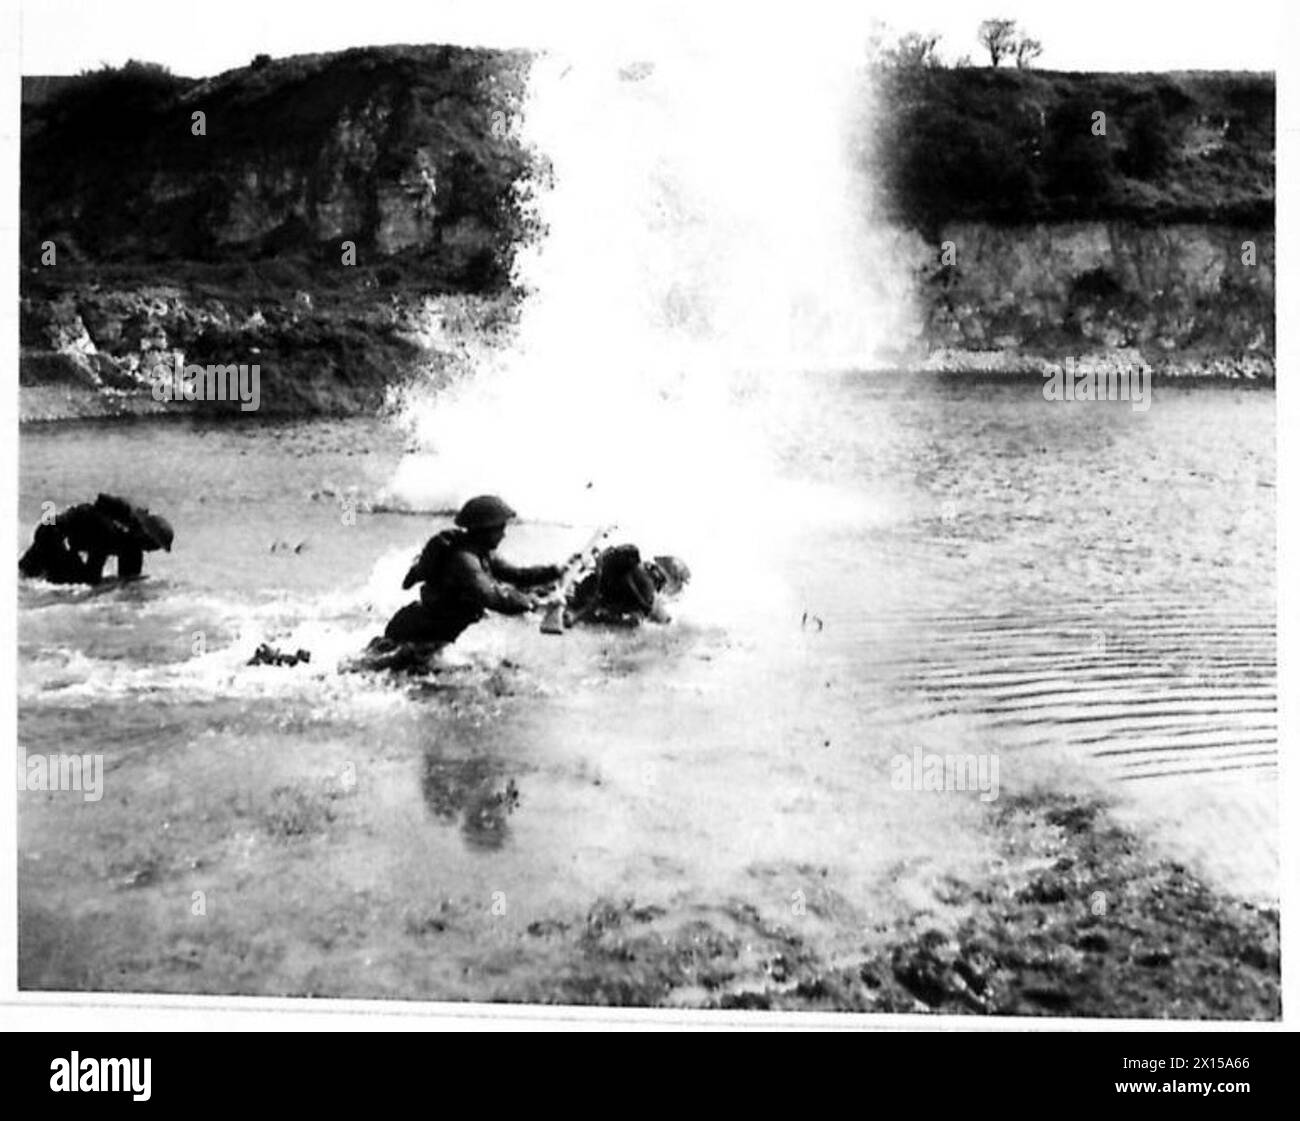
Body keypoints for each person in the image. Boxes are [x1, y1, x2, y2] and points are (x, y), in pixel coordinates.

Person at [381, 494, 565, 647]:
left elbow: (516, 575)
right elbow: (490, 596)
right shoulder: (464, 560)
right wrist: (534, 603)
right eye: (500, 528)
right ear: (484, 530)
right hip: (418, 634)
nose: (504, 534)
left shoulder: (480, 552)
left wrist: (554, 571)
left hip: (434, 632)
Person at [18, 493, 173, 585]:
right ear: (144, 534)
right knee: (31, 577)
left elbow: (129, 582)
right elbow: (92, 577)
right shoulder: (109, 530)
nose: (151, 551)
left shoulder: (132, 547)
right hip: (50, 534)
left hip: (58, 534)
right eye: (153, 546)